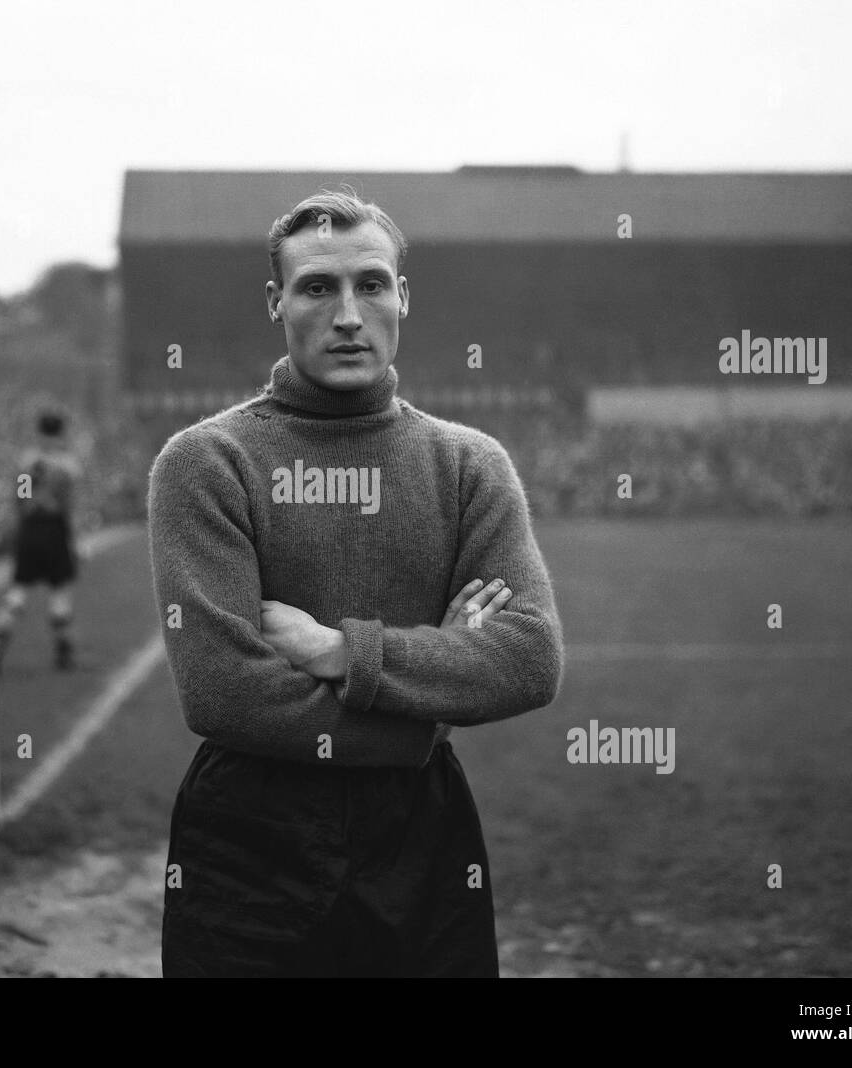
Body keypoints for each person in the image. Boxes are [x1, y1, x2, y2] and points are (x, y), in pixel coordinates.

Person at [146, 188, 565, 976]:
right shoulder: (207, 463)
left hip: (423, 835)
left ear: (402, 296)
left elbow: (529, 658)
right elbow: (222, 691)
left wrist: (343, 651)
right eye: (317, 287)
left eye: (370, 284)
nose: (348, 314)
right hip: (249, 837)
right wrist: (425, 711)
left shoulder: (469, 465)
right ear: (277, 302)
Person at [0, 410, 81, 671]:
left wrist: (25, 520)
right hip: (55, 530)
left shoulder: (26, 461)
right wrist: (73, 539)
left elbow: (19, 498)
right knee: (60, 588)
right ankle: (64, 650)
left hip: (30, 529)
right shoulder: (68, 466)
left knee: (19, 588)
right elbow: (68, 505)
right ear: (61, 432)